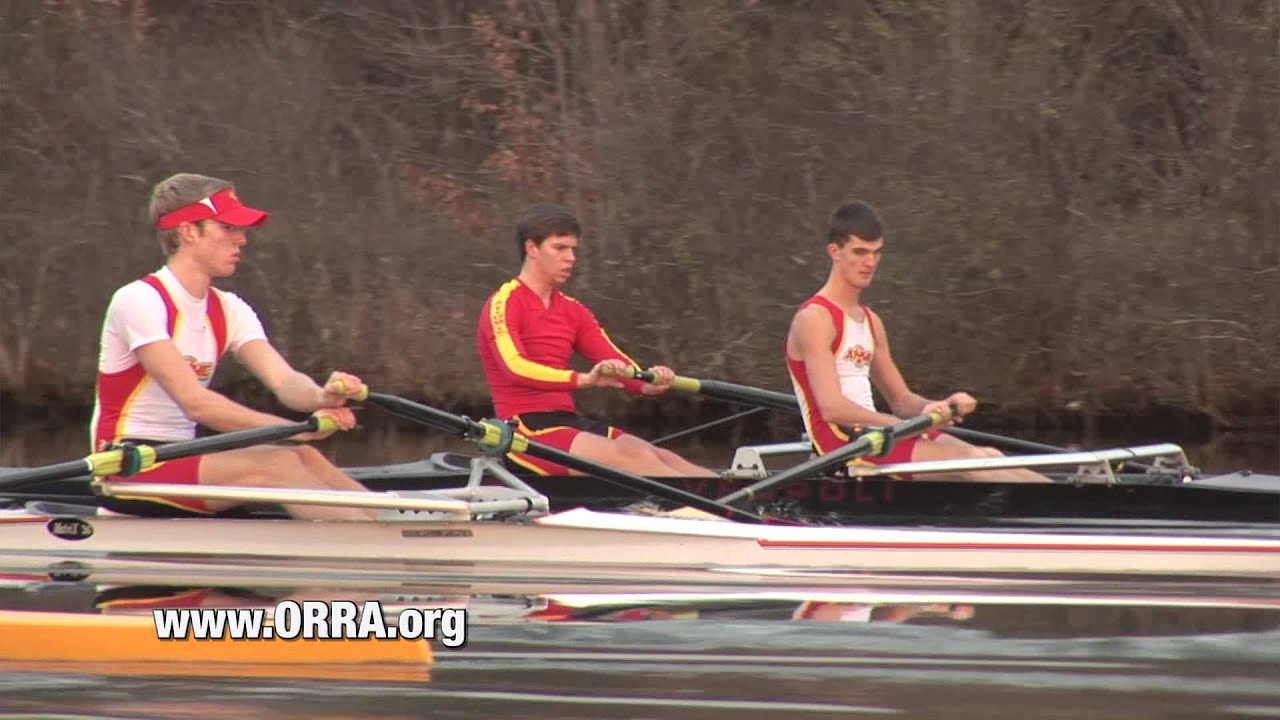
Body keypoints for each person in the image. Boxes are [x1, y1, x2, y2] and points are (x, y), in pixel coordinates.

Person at [91, 173, 376, 520]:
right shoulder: (139, 300)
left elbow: (285, 382)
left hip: (181, 456)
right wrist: (293, 432)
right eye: (227, 228)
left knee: (306, 457)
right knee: (279, 462)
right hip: (127, 465)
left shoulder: (229, 309)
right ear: (188, 232)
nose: (241, 239)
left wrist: (321, 397)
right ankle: (369, 545)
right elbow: (197, 404)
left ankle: (392, 531)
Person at [785, 200, 1050, 483]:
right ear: (835, 252)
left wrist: (933, 407)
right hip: (841, 447)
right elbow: (832, 408)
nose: (870, 263)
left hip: (875, 436)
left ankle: (1073, 502)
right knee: (971, 462)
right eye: (859, 252)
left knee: (988, 455)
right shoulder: (815, 318)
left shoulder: (871, 321)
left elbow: (901, 400)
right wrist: (900, 425)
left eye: (876, 252)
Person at [476, 203, 715, 478]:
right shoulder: (504, 302)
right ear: (532, 249)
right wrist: (583, 380)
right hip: (522, 432)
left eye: (572, 249)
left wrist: (647, 382)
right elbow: (515, 367)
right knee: (634, 457)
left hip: (567, 422)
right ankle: (709, 502)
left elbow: (618, 362)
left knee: (660, 455)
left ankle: (732, 495)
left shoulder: (574, 310)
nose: (570, 258)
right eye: (560, 248)